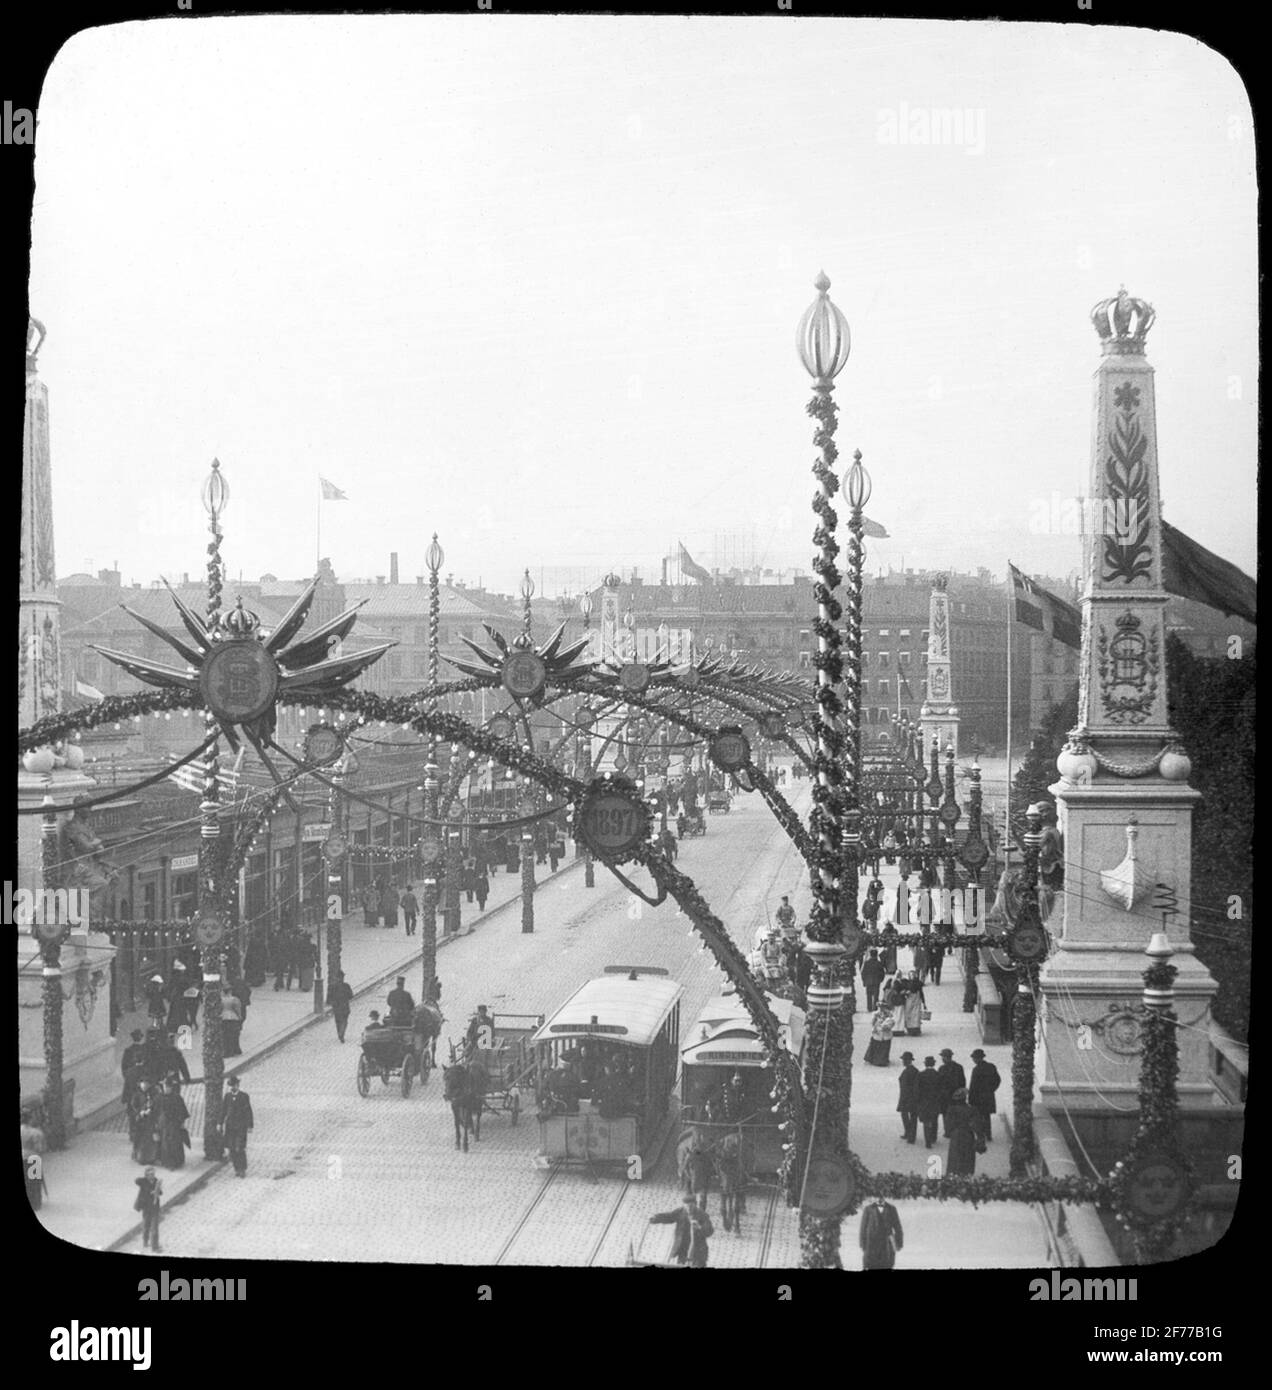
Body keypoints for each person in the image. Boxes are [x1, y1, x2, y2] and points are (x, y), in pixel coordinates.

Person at [650, 1196, 714, 1268]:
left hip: (697, 1249)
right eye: (687, 1206)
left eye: (691, 1206)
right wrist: (656, 1218)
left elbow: (710, 1231)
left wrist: (699, 1227)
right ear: (684, 1205)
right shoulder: (680, 1212)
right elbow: (669, 1217)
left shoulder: (702, 1215)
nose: (689, 1208)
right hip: (683, 1247)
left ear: (695, 1204)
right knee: (680, 1265)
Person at [859, 1196, 904, 1270]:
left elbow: (898, 1227)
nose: (879, 1197)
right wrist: (863, 1245)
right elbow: (863, 1229)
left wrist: (899, 1243)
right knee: (871, 1266)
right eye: (877, 1195)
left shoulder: (891, 1209)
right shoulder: (868, 1209)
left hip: (887, 1246)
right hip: (871, 1246)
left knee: (887, 1265)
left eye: (882, 1195)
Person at [967, 1049, 1001, 1145]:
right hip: (988, 1096)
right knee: (986, 1116)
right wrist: (992, 1089)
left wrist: (970, 1099)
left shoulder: (976, 1070)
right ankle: (988, 1134)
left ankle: (980, 1134)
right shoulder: (991, 1067)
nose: (973, 1060)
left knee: (978, 1116)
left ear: (977, 1059)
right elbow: (997, 1080)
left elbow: (973, 1086)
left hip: (978, 1097)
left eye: (974, 1058)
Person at [222, 1076, 254, 1178]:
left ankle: (242, 1168)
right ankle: (236, 1168)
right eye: (231, 1086)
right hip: (230, 1127)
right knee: (232, 1148)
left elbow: (248, 1111)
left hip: (241, 1126)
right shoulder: (227, 1097)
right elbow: (223, 1111)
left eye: (235, 1085)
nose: (233, 1087)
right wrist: (219, 1122)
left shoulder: (244, 1096)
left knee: (239, 1147)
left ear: (238, 1085)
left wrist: (249, 1125)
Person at [155, 1079, 190, 1170]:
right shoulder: (159, 1098)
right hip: (164, 1125)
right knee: (165, 1143)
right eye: (165, 1087)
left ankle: (177, 1161)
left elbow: (182, 1111)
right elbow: (155, 1112)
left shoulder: (177, 1098)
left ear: (171, 1088)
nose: (166, 1089)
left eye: (168, 1087)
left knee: (175, 1142)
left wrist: (182, 1122)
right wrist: (156, 1124)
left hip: (174, 1124)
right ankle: (168, 1162)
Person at [936, 1049, 968, 1138]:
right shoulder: (958, 1067)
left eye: (943, 1057)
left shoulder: (943, 1069)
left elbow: (939, 1082)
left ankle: (948, 1131)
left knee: (947, 1114)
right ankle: (952, 1131)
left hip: (948, 1095)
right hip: (954, 1095)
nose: (942, 1059)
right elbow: (963, 1082)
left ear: (947, 1057)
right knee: (953, 1113)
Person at [915, 1056, 944, 1148]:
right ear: (934, 1064)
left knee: (926, 1121)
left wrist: (918, 1101)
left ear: (925, 1064)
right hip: (935, 1101)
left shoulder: (920, 1075)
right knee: (934, 1119)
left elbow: (917, 1090)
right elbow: (941, 1089)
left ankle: (927, 1140)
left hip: (924, 1102)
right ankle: (933, 1137)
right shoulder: (938, 1075)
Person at [22, 1110, 47, 1211]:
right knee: (34, 1181)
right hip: (33, 1158)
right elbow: (39, 1148)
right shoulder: (36, 1132)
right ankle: (35, 1203)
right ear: (30, 1119)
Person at [128, 1081, 159, 1165]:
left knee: (150, 1139)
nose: (144, 1086)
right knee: (140, 1139)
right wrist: (141, 1112)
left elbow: (156, 1105)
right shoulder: (137, 1095)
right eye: (143, 1083)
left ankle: (151, 1157)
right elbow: (133, 1107)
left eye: (146, 1084)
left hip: (150, 1121)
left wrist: (151, 1110)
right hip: (140, 1121)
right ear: (140, 1084)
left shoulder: (152, 1094)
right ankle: (140, 1157)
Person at [134, 1167, 163, 1252]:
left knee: (154, 1228)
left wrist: (157, 1191)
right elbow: (136, 1181)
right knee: (146, 1225)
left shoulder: (156, 1181)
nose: (152, 1176)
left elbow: (160, 1192)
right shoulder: (143, 1182)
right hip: (146, 1207)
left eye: (153, 1174)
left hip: (155, 1207)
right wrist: (144, 1179)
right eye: (150, 1174)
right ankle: (145, 1241)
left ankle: (155, 1247)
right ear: (146, 1175)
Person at [896, 1051, 920, 1143]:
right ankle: (909, 1134)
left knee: (909, 1116)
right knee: (909, 1116)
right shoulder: (913, 1070)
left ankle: (910, 1135)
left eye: (904, 1060)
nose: (903, 1061)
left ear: (909, 1060)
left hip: (908, 1098)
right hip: (909, 1097)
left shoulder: (910, 1071)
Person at [121, 1029, 147, 1106]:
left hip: (131, 1081)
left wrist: (127, 1076)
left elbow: (123, 1066)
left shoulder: (128, 1050)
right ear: (141, 1038)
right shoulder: (144, 1049)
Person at [899, 971, 927, 1037]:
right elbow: (921, 993)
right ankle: (916, 1029)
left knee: (910, 1015)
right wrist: (924, 1003)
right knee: (916, 1015)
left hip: (910, 1001)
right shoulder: (918, 984)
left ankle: (910, 1029)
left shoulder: (907, 984)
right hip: (917, 1001)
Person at [329, 969, 354, 1042]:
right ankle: (342, 1033)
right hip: (345, 1006)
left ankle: (340, 1033)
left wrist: (333, 1003)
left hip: (336, 1007)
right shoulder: (346, 986)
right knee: (344, 1021)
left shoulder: (333, 987)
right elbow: (351, 996)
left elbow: (330, 997)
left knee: (338, 1021)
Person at [221, 990, 244, 1056]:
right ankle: (233, 1050)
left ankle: (226, 1051)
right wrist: (240, 1017)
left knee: (225, 1036)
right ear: (230, 992)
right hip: (233, 1017)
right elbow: (237, 1009)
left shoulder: (221, 999)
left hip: (223, 1018)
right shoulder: (234, 999)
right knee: (233, 1035)